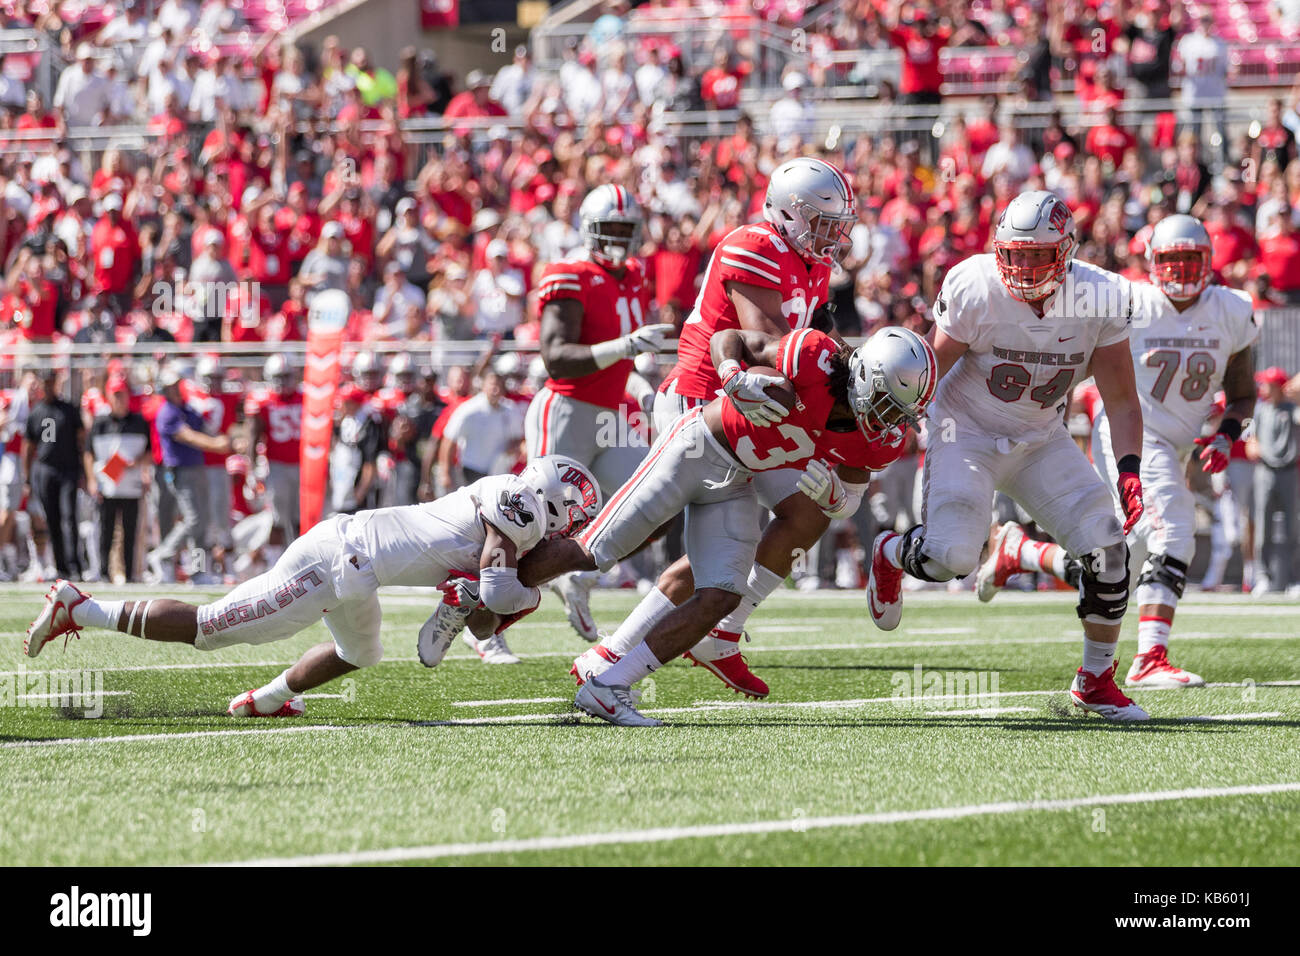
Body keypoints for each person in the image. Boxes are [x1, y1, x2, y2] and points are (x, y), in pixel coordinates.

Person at [446, 325, 933, 726]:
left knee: (721, 593)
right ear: (867, 376)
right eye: (889, 402)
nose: (891, 420)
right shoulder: (813, 355)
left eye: (900, 411)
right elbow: (732, 336)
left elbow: (847, 499)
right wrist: (732, 373)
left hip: (737, 478)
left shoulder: (879, 439)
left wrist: (835, 499)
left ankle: (610, 686)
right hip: (695, 448)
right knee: (592, 551)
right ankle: (477, 586)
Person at [866, 190, 1151, 721]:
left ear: (1066, 251)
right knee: (951, 557)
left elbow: (1121, 399)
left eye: (1038, 254)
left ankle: (1094, 679)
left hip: (1040, 437)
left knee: (1111, 552)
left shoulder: (1102, 295)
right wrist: (898, 423)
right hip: (965, 430)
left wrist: (1130, 471)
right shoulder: (975, 284)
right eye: (1015, 253)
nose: (1024, 266)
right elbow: (933, 366)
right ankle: (890, 552)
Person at [23, 458, 601, 719]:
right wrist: (510, 595)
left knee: (361, 652)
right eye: (572, 515)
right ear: (550, 500)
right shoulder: (518, 503)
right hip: (335, 561)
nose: (570, 529)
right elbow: (496, 589)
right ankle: (83, 606)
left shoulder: (515, 514)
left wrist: (475, 605)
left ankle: (268, 699)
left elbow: (482, 620)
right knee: (210, 631)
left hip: (358, 567)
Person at [977, 214, 1258, 688]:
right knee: (1174, 526)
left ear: (1210, 261)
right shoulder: (1131, 301)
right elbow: (1073, 359)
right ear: (1152, 263)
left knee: (1124, 561)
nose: (1184, 271)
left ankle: (1022, 552)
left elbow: (1243, 391)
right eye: (1174, 260)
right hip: (1132, 434)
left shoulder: (1231, 309)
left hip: (1178, 442)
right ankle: (1150, 657)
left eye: (1193, 260)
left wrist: (1229, 432)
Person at [621, 157, 853, 698]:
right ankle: (612, 653)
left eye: (837, 224)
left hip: (758, 406)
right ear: (788, 214)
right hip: (704, 401)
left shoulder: (811, 263)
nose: (832, 235)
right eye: (822, 223)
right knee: (718, 552)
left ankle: (720, 634)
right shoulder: (756, 244)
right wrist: (828, 421)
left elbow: (814, 343)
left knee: (806, 512)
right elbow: (770, 346)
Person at [525, 184, 672, 641]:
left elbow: (622, 361)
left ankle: (581, 576)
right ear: (589, 229)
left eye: (625, 230)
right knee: (530, 524)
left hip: (609, 413)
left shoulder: (633, 274)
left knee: (654, 505)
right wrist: (625, 347)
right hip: (566, 409)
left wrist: (640, 385)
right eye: (609, 229)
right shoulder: (569, 271)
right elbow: (556, 356)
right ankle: (477, 616)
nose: (618, 239)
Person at [146, 364, 231, 583]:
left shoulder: (186, 408)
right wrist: (217, 444)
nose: (175, 390)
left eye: (176, 386)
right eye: (170, 387)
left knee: (201, 522)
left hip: (196, 467)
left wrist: (228, 440)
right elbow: (189, 437)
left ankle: (198, 569)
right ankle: (163, 554)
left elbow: (204, 428)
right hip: (181, 470)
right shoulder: (167, 412)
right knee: (193, 519)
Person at [85, 375, 152, 582]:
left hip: (131, 485)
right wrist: (92, 480)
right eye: (115, 395)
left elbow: (150, 451)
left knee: (131, 531)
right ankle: (105, 573)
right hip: (107, 485)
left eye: (122, 394)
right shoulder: (100, 422)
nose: (119, 399)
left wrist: (139, 464)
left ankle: (131, 574)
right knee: (106, 530)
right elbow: (89, 453)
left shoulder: (139, 421)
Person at [23, 369, 85, 581]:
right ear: (41, 385)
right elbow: (29, 446)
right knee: (52, 519)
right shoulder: (36, 412)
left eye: (52, 383)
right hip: (45, 470)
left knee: (69, 516)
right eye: (46, 383)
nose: (49, 387)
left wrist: (83, 471)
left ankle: (74, 564)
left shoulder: (68, 409)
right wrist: (27, 477)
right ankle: (61, 567)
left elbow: (80, 440)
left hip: (67, 469)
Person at [1251, 366, 1299, 593]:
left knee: (1292, 526)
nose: (1263, 387)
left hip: (1289, 472)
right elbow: (1252, 439)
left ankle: (1294, 578)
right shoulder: (1261, 409)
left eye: (1267, 383)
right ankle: (1263, 577)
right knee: (1263, 526)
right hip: (1264, 471)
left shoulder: (1293, 410)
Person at [246, 355, 303, 544]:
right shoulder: (263, 400)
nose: (282, 382)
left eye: (286, 376)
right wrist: (252, 469)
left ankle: (300, 557)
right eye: (278, 377)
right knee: (277, 518)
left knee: (300, 518)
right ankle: (273, 561)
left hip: (303, 465)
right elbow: (253, 435)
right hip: (277, 466)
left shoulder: (306, 397)